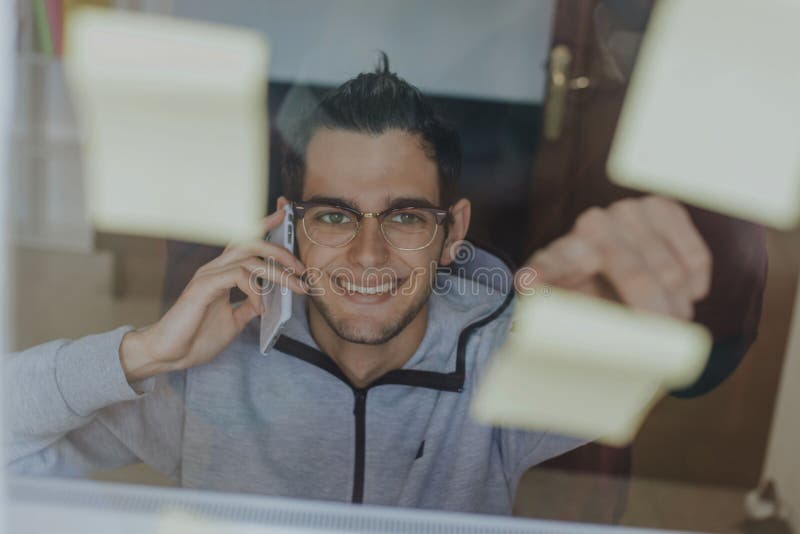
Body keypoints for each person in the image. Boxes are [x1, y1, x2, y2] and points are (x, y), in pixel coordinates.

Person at [6, 55, 712, 514]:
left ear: (452, 230)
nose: (369, 254)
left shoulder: (496, 361)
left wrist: (620, 295)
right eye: (335, 215)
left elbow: (635, 346)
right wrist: (145, 352)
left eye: (405, 216)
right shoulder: (208, 371)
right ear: (290, 226)